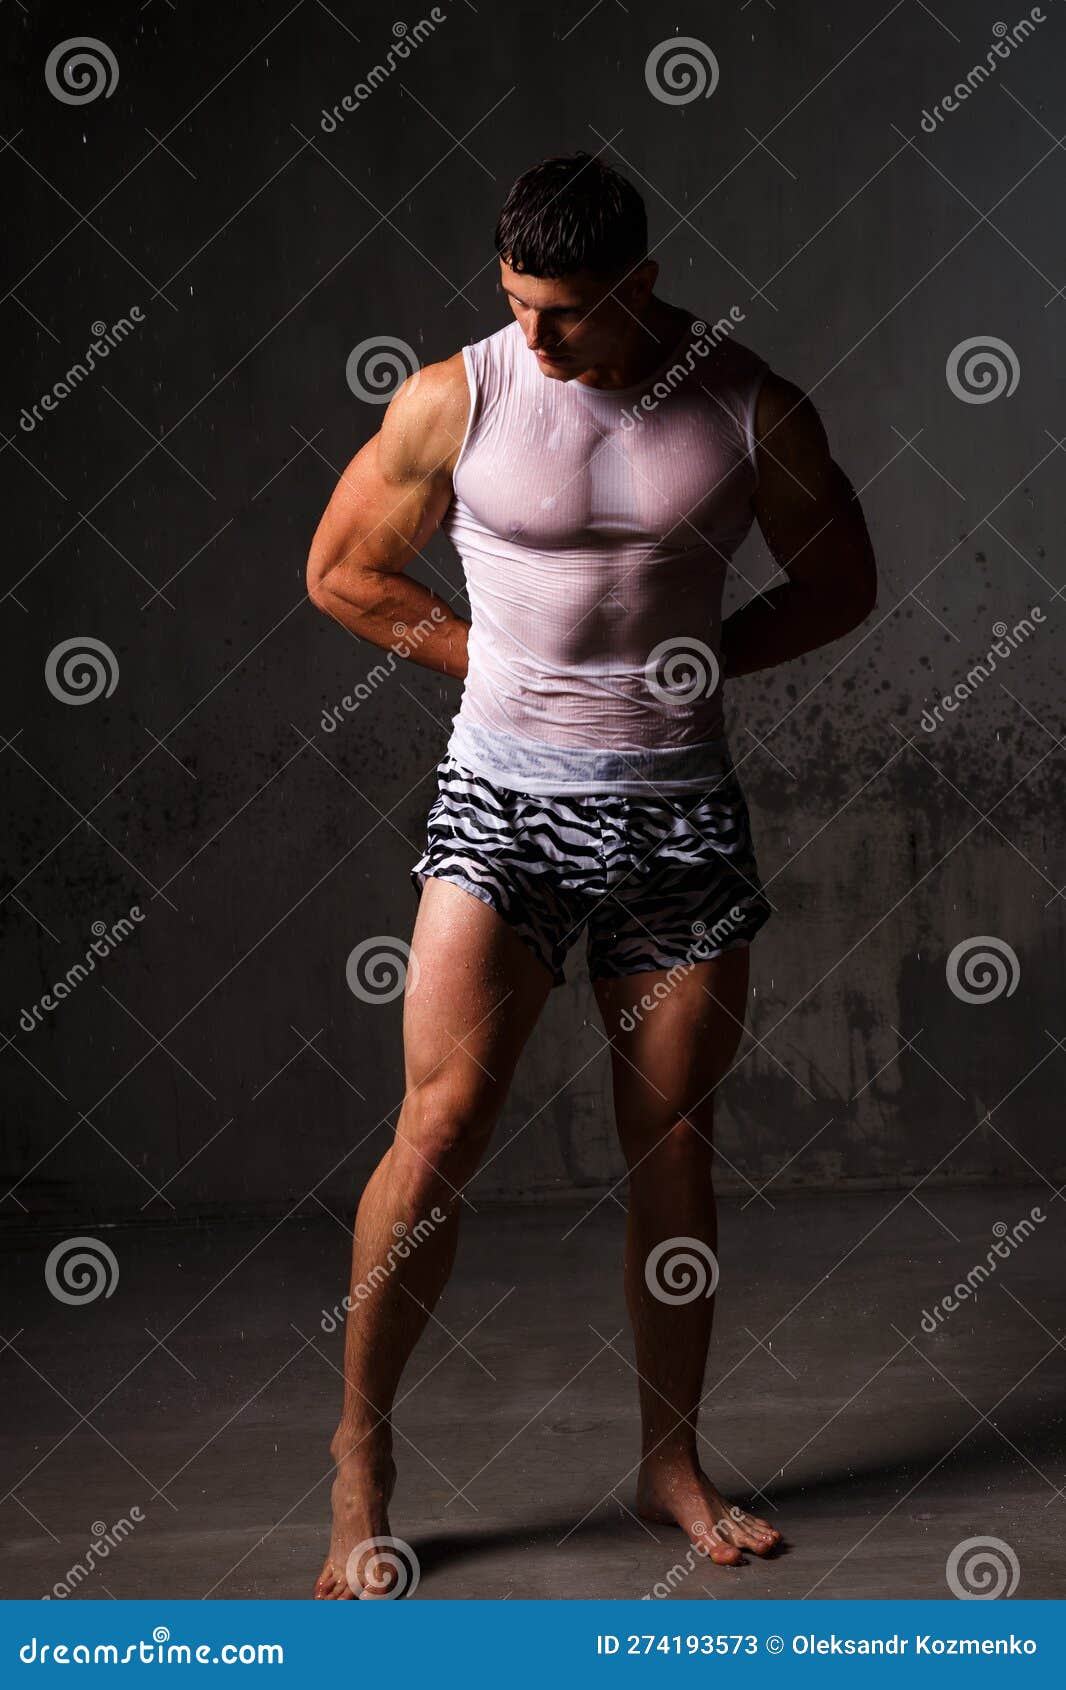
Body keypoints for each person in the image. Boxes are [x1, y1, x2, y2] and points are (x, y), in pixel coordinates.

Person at [305, 150, 877, 1598]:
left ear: (641, 283)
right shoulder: (459, 395)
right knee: (439, 1131)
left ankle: (669, 1462)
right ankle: (360, 1456)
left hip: (678, 824)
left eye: (562, 309)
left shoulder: (748, 405)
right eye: (515, 301)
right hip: (500, 810)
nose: (535, 335)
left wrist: (698, 665)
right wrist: (493, 665)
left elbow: (840, 582)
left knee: (672, 1147)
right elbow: (344, 571)